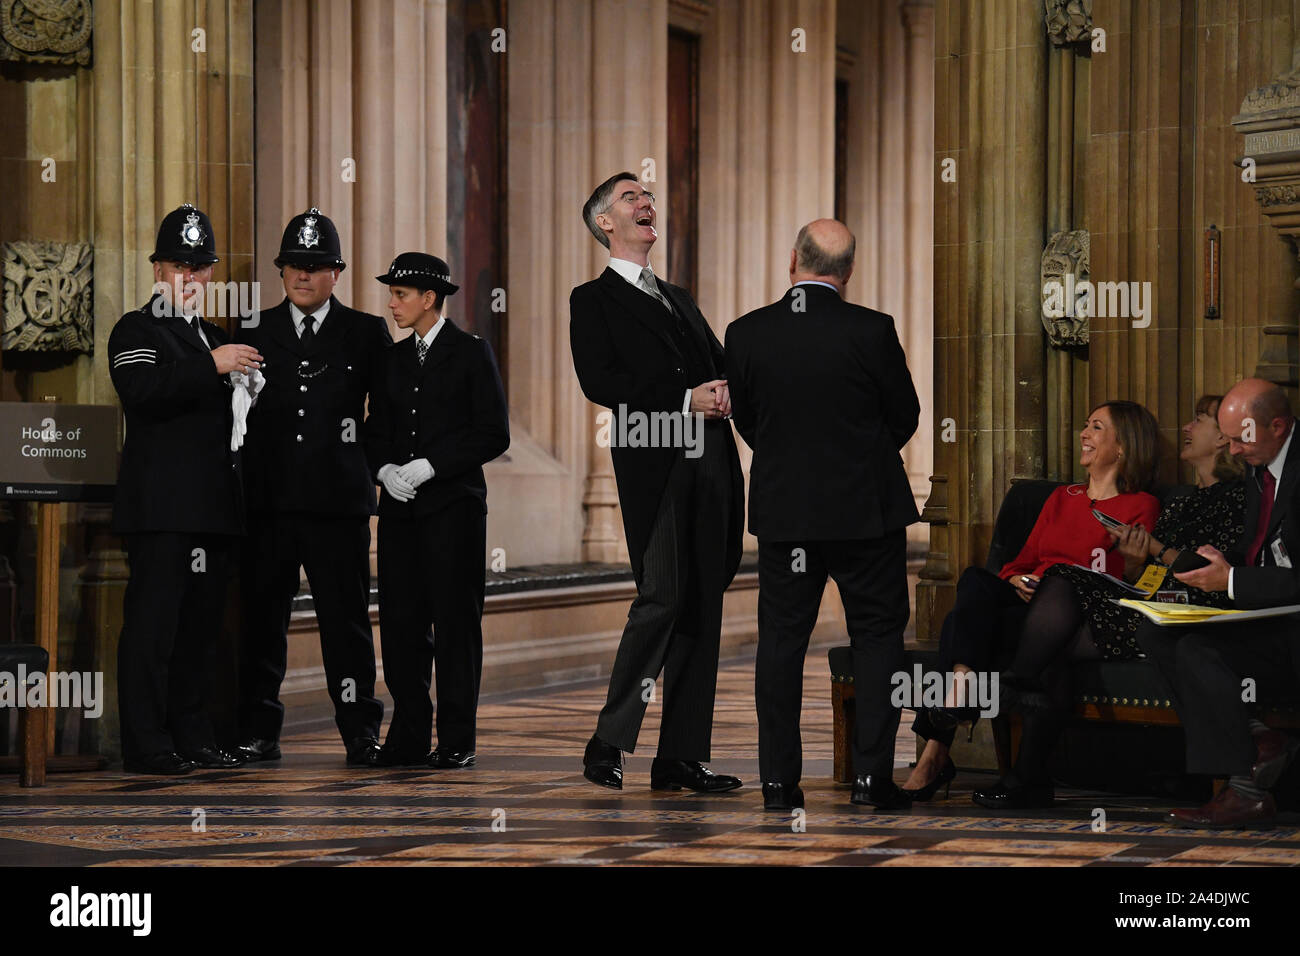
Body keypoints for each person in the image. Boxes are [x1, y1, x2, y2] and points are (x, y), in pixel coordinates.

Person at [725, 220, 920, 811]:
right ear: (848, 271)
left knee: (780, 646)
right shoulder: (873, 329)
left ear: (793, 262)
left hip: (788, 518)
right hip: (868, 514)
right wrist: (859, 460)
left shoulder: (747, 333)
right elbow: (905, 416)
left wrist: (793, 462)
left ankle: (780, 785)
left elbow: (749, 421)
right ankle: (870, 781)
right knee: (878, 640)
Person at [972, 396, 1246, 808]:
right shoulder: (1182, 503)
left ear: (1224, 439)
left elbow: (1204, 575)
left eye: (1198, 420)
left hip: (1167, 618)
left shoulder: (1236, 498)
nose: (1185, 428)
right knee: (1047, 644)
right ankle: (1027, 776)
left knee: (1060, 582)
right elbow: (1148, 579)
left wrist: (1145, 555)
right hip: (1146, 605)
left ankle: (1016, 692)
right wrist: (1139, 563)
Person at [569, 172, 746, 793]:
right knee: (662, 598)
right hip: (657, 464)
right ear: (604, 223)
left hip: (713, 466)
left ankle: (680, 757)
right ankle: (609, 740)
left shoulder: (680, 297)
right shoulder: (590, 301)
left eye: (648, 195)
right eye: (629, 197)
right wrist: (681, 398)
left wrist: (731, 389)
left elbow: (723, 366)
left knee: (703, 607)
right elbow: (601, 382)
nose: (646, 202)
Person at [900, 401, 1161, 804]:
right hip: (1027, 603)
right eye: (1085, 425)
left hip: (1084, 617)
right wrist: (1017, 579)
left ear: (1123, 447)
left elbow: (1128, 583)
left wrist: (1130, 562)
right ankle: (963, 690)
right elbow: (1018, 562)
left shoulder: (1140, 505)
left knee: (986, 624)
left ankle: (937, 754)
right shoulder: (1061, 498)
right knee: (974, 582)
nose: (1083, 435)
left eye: (1096, 428)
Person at [108, 203, 264, 774]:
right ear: (157, 271)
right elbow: (142, 391)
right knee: (153, 630)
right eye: (179, 266)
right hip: (161, 514)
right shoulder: (136, 328)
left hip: (212, 513)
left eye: (200, 268)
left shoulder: (218, 338)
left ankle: (194, 736)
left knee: (201, 633)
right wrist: (214, 366)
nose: (190, 279)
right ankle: (146, 743)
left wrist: (246, 388)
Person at [233, 209, 391, 767]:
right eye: (294, 265)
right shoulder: (251, 328)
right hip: (268, 503)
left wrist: (363, 462)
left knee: (345, 624)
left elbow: (389, 414)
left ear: (337, 273)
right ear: (281, 272)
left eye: (316, 265)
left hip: (338, 504)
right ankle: (257, 729)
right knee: (261, 620)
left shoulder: (367, 332)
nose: (303, 275)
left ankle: (358, 730)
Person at [363, 252, 509, 768]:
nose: (392, 303)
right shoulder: (390, 359)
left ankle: (455, 740)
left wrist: (431, 465)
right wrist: (383, 470)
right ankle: (406, 737)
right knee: (401, 625)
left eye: (400, 294)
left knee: (455, 626)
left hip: (455, 512)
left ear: (429, 299)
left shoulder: (472, 353)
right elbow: (374, 431)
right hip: (400, 514)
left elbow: (493, 433)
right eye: (392, 293)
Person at [1136, 378, 1300, 827]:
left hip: (1293, 623)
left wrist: (1232, 582)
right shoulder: (1257, 464)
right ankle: (1260, 741)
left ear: (1279, 426)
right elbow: (1259, 549)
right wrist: (1221, 567)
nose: (1231, 451)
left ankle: (1246, 790)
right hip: (1267, 612)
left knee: (1195, 649)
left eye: (1238, 439)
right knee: (1163, 633)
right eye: (1225, 439)